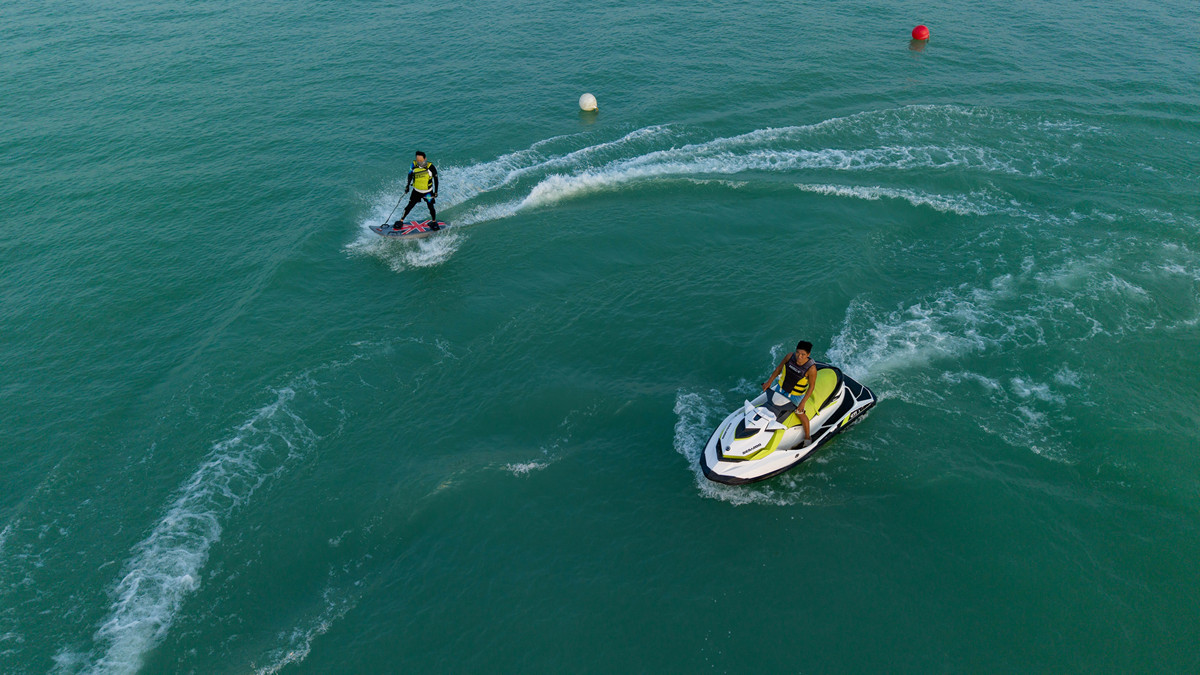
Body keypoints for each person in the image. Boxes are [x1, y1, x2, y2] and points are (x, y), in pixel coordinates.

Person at [762, 340, 818, 445]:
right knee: (770, 405)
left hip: (795, 396)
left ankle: (807, 437)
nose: (799, 356)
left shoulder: (811, 369)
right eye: (798, 352)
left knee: (800, 414)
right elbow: (779, 368)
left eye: (803, 354)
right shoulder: (789, 357)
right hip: (780, 389)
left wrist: (802, 403)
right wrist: (769, 382)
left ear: (808, 355)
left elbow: (811, 387)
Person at [398, 151, 440, 229]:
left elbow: (436, 180)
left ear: (425, 159)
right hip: (416, 191)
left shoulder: (431, 167)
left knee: (431, 207)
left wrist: (436, 192)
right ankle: (401, 220)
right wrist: (407, 186)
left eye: (421, 160)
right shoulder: (413, 165)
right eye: (418, 160)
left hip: (427, 192)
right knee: (409, 206)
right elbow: (410, 175)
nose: (419, 162)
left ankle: (434, 221)